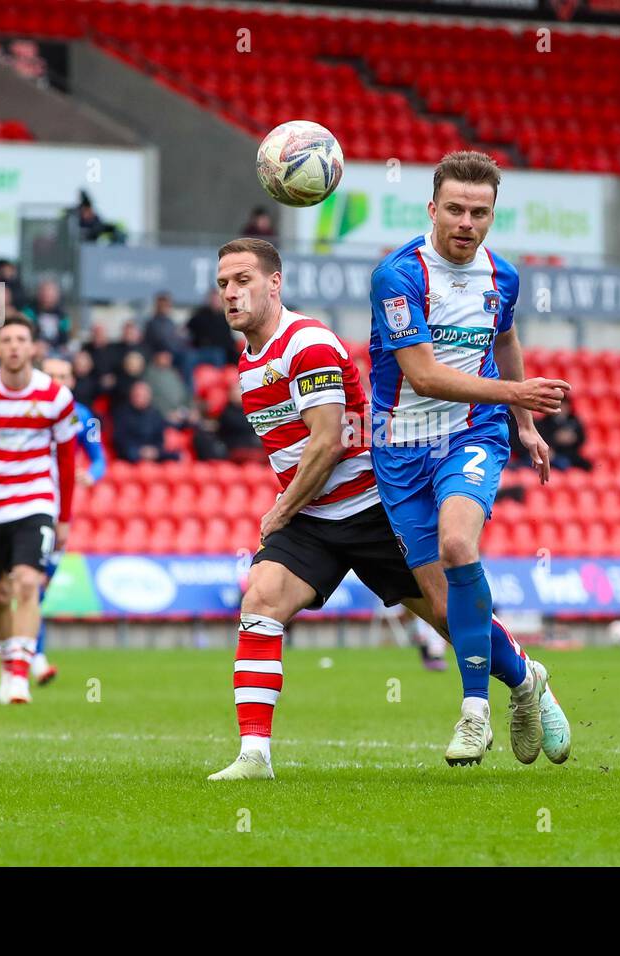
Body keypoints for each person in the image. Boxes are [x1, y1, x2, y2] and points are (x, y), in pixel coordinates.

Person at [207, 237, 570, 780]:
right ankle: (254, 756)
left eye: (243, 280)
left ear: (274, 282)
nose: (231, 294)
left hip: (373, 507)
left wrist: (280, 509)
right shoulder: (250, 358)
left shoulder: (306, 344)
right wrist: (292, 512)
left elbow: (328, 442)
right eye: (223, 285)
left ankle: (525, 678)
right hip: (316, 519)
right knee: (261, 599)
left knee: (450, 618)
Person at [368, 151, 571, 767]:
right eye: (455, 209)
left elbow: (504, 337)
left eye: (479, 212)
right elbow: (424, 376)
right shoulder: (398, 276)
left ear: (492, 215)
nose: (466, 222)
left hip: (470, 435)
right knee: (440, 609)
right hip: (401, 449)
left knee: (461, 546)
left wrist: (524, 424)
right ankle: (529, 678)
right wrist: (518, 393)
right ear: (432, 209)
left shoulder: (503, 276)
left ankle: (474, 712)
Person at [0, 315, 79, 704]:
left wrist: (65, 517)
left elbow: (69, 463)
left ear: (33, 347)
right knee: (0, 595)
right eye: (7, 340)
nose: (15, 346)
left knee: (27, 583)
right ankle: (7, 665)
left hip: (35, 501)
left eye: (22, 339)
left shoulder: (56, 397)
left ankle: (21, 674)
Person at [32, 357, 107, 686]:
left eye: (63, 376)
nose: (58, 381)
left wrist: (90, 475)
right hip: (27, 503)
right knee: (31, 585)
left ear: (72, 380)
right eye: (51, 375)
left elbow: (99, 459)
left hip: (60, 510)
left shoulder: (84, 417)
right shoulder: (27, 410)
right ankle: (34, 658)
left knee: (41, 586)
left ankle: (21, 649)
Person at [111, 381, 176, 463]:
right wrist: (140, 451)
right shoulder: (122, 414)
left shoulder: (155, 414)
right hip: (131, 454)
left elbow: (159, 439)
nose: (140, 398)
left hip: (152, 453)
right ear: (131, 396)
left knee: (175, 456)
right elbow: (119, 440)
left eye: (143, 396)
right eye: (137, 395)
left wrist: (153, 451)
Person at [186, 287, 240, 365]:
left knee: (219, 355)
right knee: (189, 357)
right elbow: (188, 329)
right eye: (213, 299)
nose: (215, 302)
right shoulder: (200, 315)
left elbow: (229, 340)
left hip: (219, 351)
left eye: (217, 300)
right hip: (200, 349)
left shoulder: (225, 318)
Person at [537, 395, 592, 471]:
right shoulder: (545, 421)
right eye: (559, 406)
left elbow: (582, 439)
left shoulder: (574, 420)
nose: (562, 409)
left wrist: (574, 438)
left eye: (564, 406)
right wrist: (556, 438)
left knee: (587, 465)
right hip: (554, 454)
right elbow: (542, 439)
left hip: (571, 454)